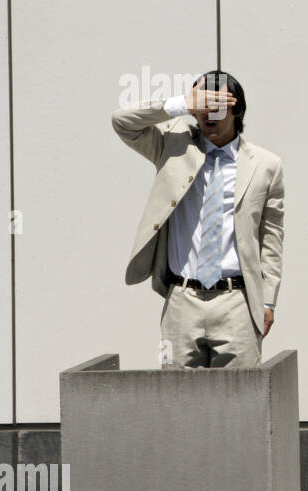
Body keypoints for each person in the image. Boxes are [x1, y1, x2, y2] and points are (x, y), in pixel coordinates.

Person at [112, 70, 285, 368]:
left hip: (237, 302)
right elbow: (122, 122)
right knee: (178, 405)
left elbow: (271, 240)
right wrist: (182, 103)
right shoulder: (174, 148)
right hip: (182, 300)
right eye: (203, 105)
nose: (208, 113)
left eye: (217, 104)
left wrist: (268, 300)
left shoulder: (267, 165)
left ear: (237, 109)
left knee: (241, 404)